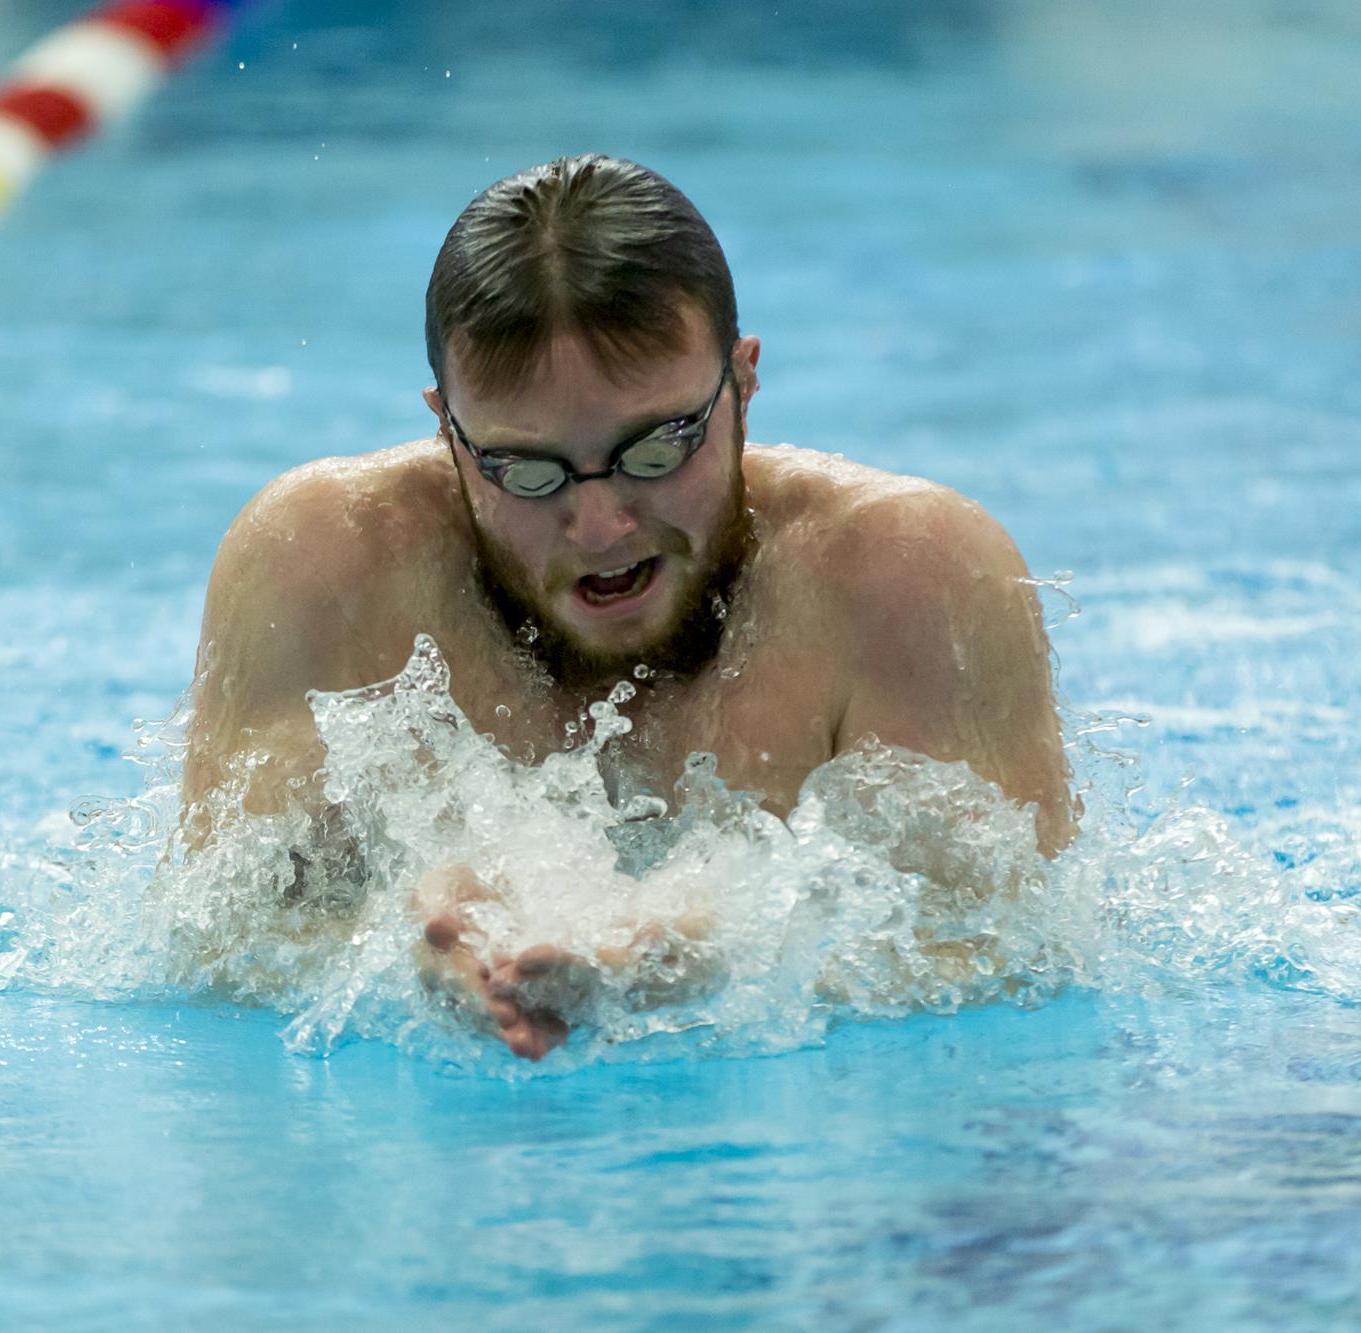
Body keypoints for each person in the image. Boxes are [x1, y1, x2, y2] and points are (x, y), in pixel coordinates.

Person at [180, 154, 1073, 1060]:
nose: (601, 527)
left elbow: (1027, 953)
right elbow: (209, 945)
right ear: (446, 430)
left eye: (655, 449)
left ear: (745, 382)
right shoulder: (323, 566)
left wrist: (732, 956)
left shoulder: (906, 578)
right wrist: (394, 958)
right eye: (528, 472)